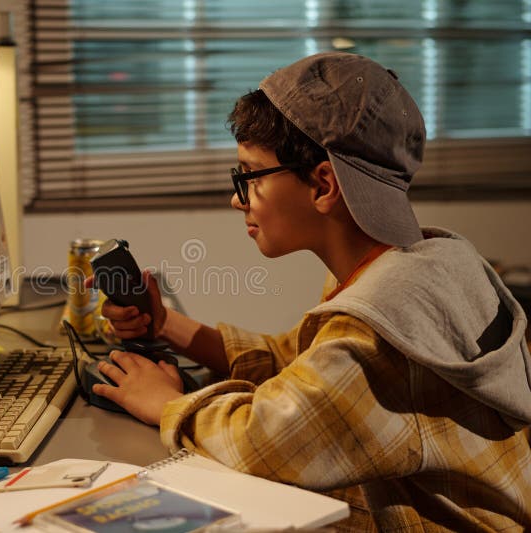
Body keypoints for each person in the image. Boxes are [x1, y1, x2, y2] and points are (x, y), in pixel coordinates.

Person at [85, 52, 531, 531]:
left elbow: (263, 441)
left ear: (322, 185)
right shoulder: (422, 262)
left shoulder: (376, 327)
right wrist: (167, 324)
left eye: (248, 176)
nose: (236, 199)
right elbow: (299, 364)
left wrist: (166, 405)